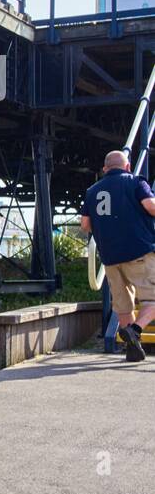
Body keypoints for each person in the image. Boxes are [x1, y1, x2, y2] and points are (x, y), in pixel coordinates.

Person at [80, 150, 155, 361]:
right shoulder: (135, 182)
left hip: (110, 258)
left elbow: (85, 225)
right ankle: (136, 330)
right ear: (128, 166)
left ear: (105, 169)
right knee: (152, 299)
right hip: (139, 251)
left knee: (123, 306)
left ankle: (132, 350)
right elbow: (150, 206)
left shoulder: (92, 190)